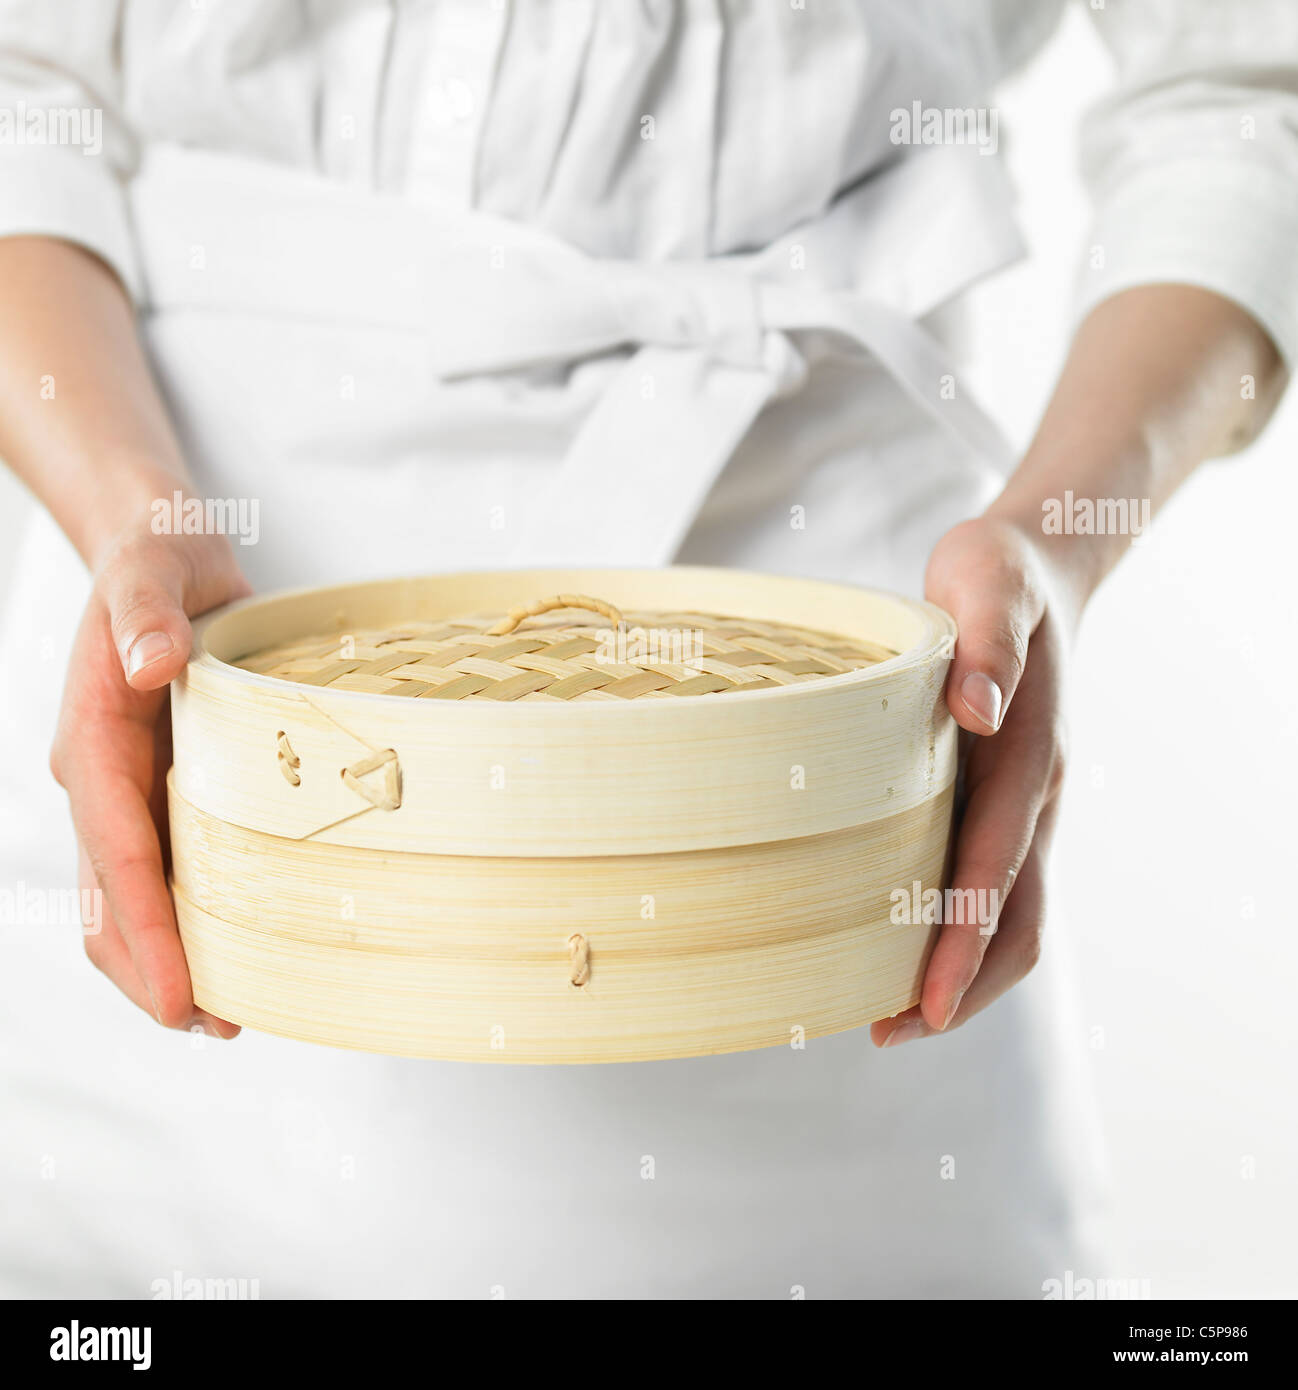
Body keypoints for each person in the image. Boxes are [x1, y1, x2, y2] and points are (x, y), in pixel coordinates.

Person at [0, 0, 1292, 1298]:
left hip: (841, 790)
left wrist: (1045, 552)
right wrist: (129, 518)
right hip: (197, 700)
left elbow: (1236, 98)